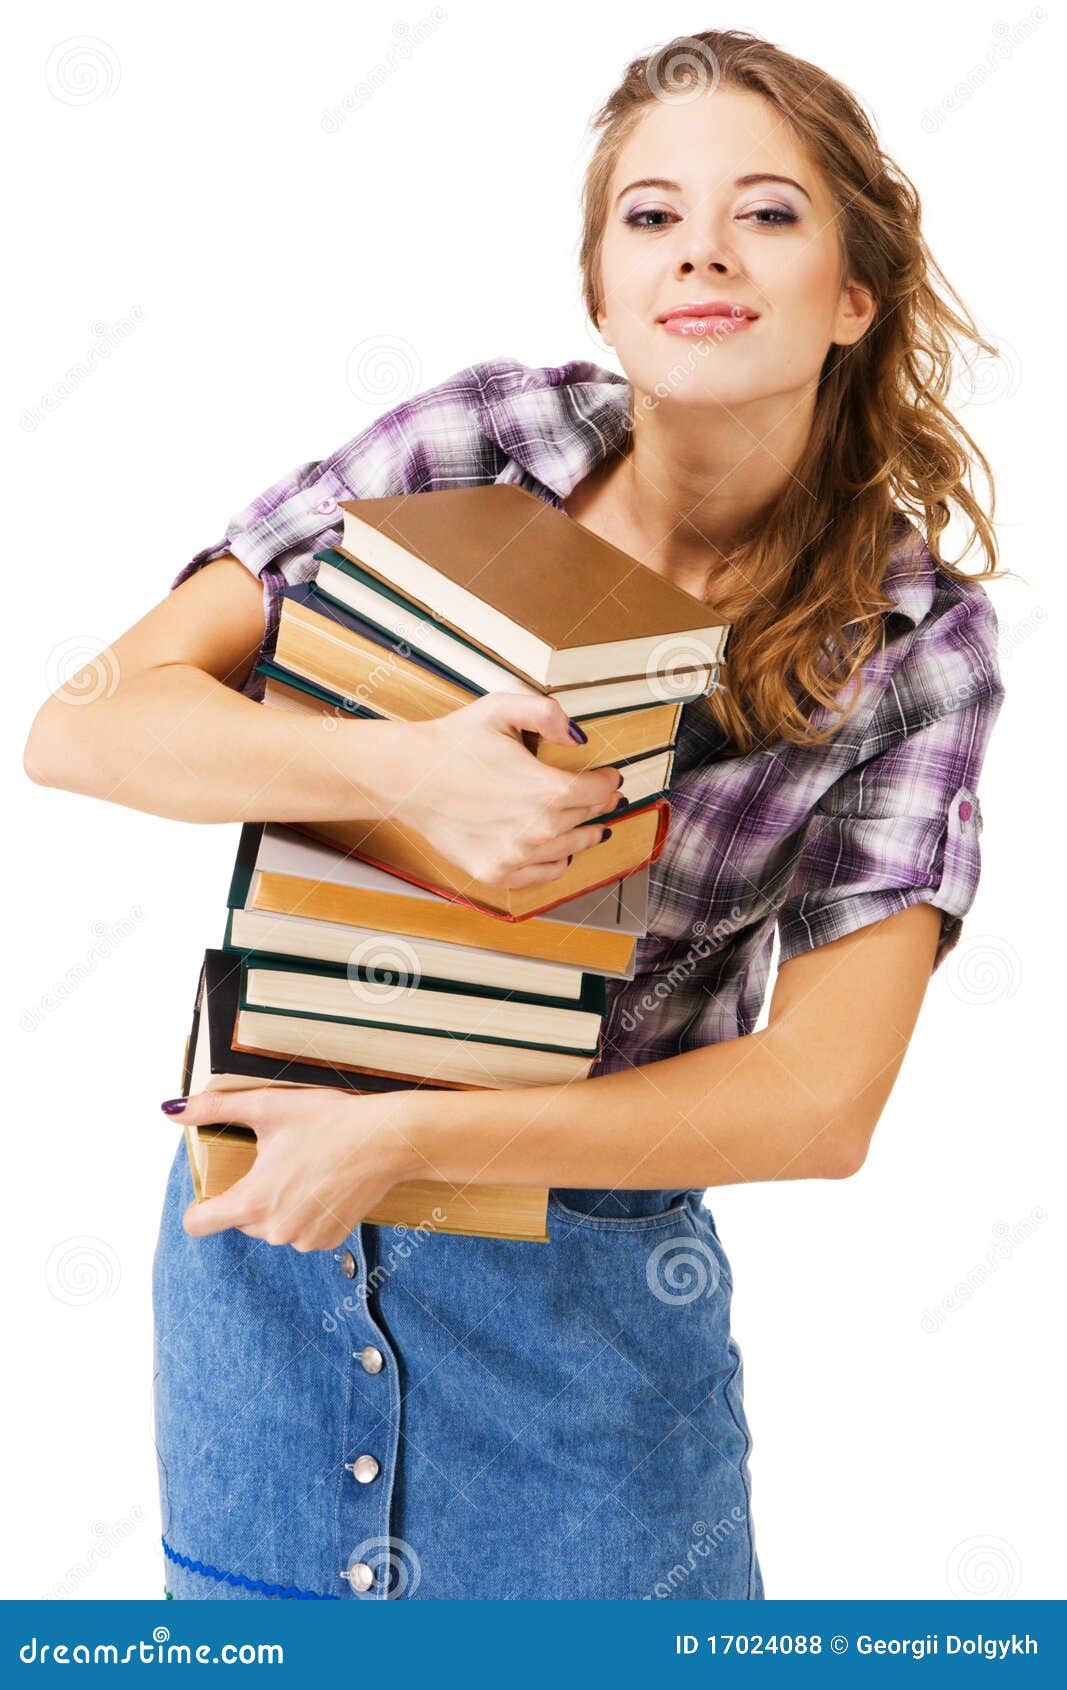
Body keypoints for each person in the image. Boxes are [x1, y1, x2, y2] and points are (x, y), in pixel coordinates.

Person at [23, 29, 1009, 1601]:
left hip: (583, 1321)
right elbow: (81, 729)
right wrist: (404, 772)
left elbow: (822, 1102)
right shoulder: (472, 449)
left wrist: (407, 1137)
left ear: (853, 295)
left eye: (766, 213)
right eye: (650, 216)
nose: (701, 246)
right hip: (265, 1259)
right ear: (604, 294)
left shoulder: (910, 643)